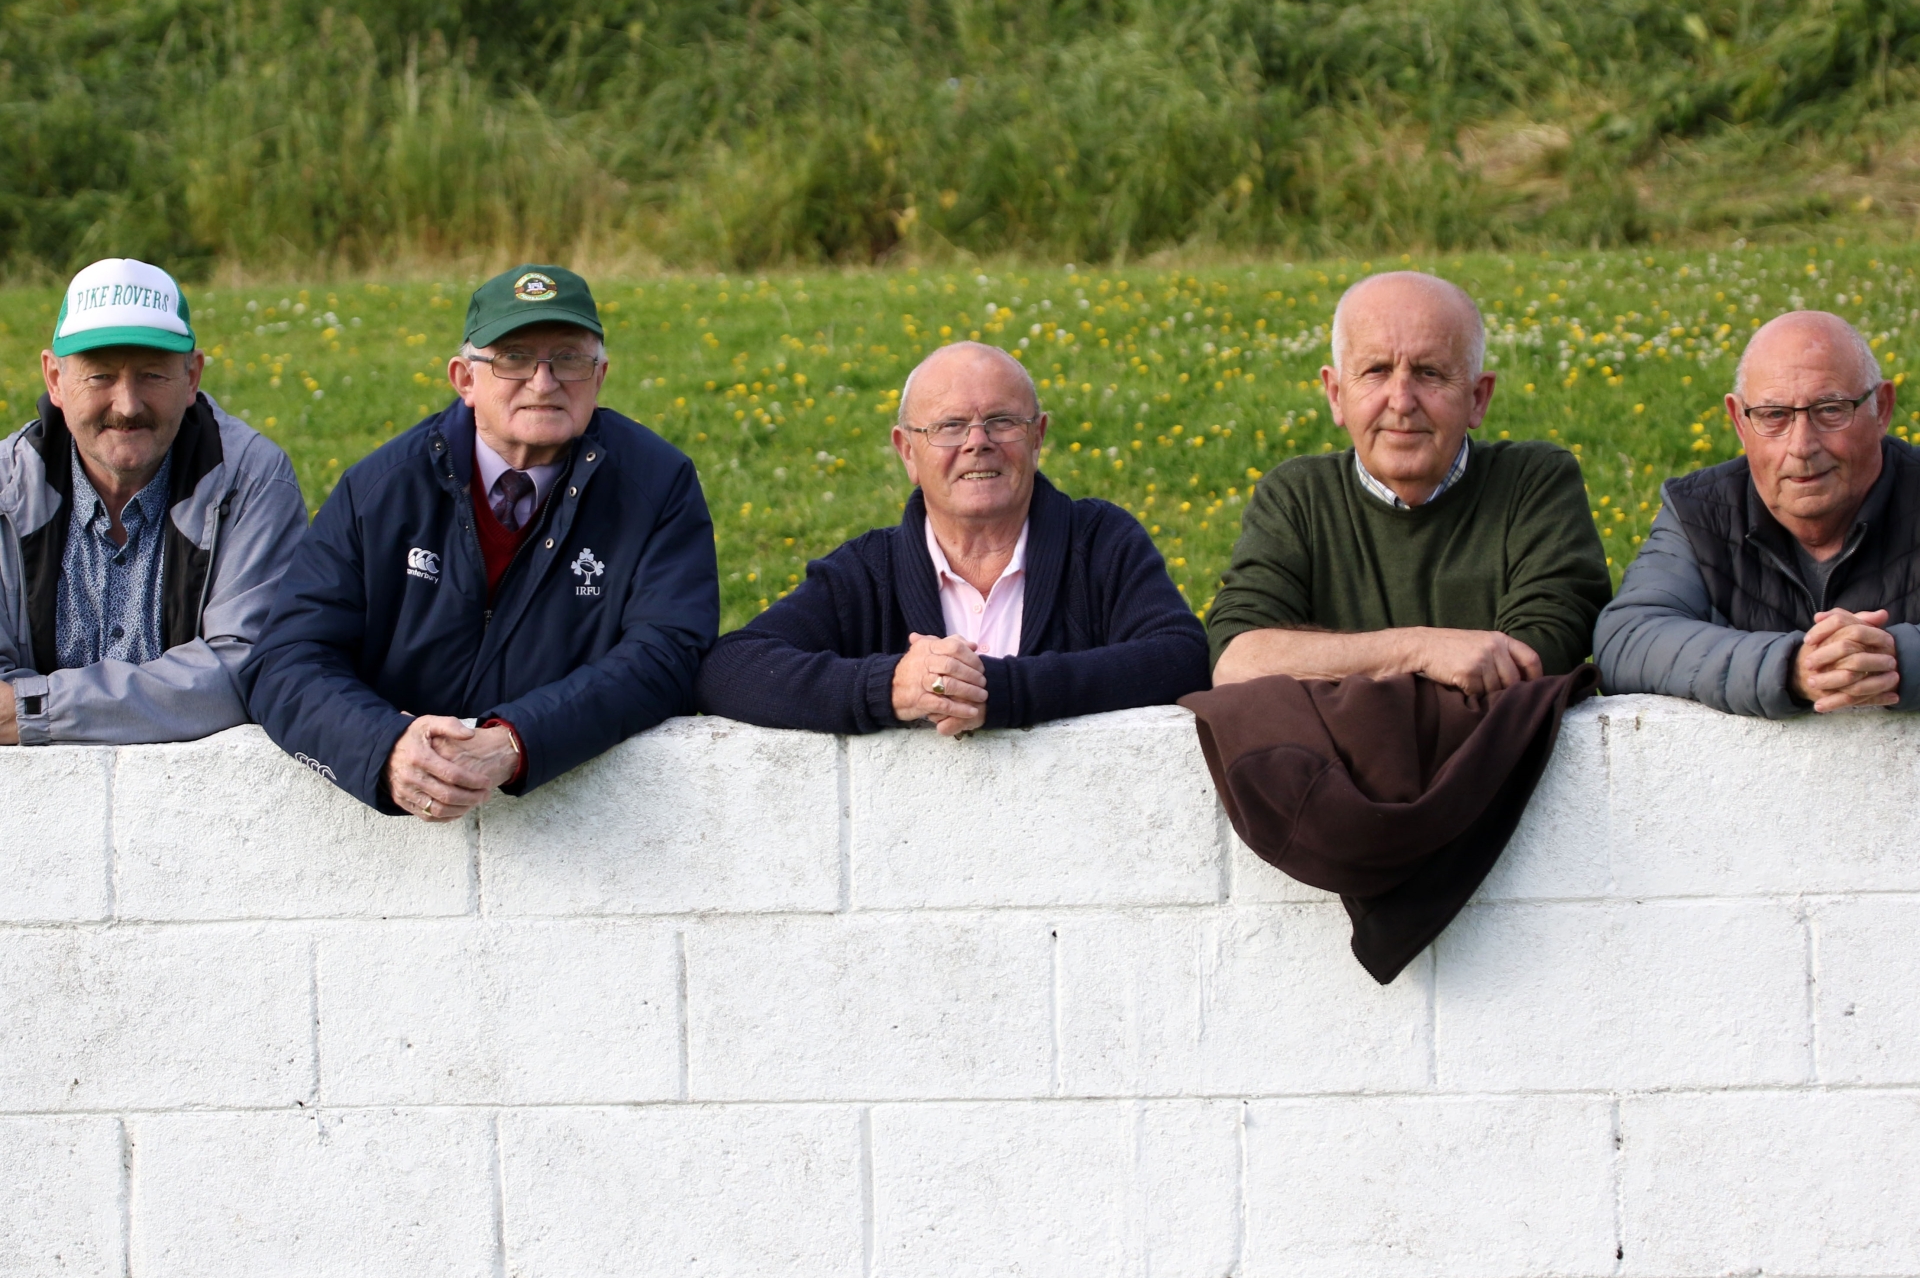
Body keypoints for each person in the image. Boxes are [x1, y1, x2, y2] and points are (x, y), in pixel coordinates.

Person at [246, 264, 718, 818]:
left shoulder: (657, 484)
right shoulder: (380, 489)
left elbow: (668, 654)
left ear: (600, 376)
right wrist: (386, 748)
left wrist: (518, 740)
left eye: (569, 358)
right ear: (464, 379)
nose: (543, 383)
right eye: (513, 358)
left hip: (580, 832)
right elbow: (285, 661)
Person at [695, 340, 1208, 733]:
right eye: (949, 426)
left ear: (1038, 437)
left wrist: (1001, 691)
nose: (977, 443)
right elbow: (730, 670)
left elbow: (1180, 656)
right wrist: (892, 687)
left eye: (1002, 421)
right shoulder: (868, 571)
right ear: (907, 452)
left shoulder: (1100, 541)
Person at [1207, 271, 1610, 689]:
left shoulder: (1533, 484)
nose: (1401, 401)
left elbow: (1533, 658)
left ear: (1478, 398)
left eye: (1430, 373)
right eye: (1376, 370)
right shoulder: (1297, 498)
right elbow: (1239, 660)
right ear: (1335, 394)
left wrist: (1333, 672)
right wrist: (1418, 649)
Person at [0, 258, 305, 744]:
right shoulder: (5, 490)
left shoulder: (253, 481)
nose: (127, 405)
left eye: (153, 376)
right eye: (99, 376)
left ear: (192, 377)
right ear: (54, 379)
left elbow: (245, 670)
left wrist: (35, 709)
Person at [1596, 310, 1915, 716]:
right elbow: (1627, 640)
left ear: (1882, 408)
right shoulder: (1699, 512)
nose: (1801, 446)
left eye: (1830, 409)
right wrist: (1793, 666)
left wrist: (1893, 658)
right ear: (1738, 421)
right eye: (1774, 416)